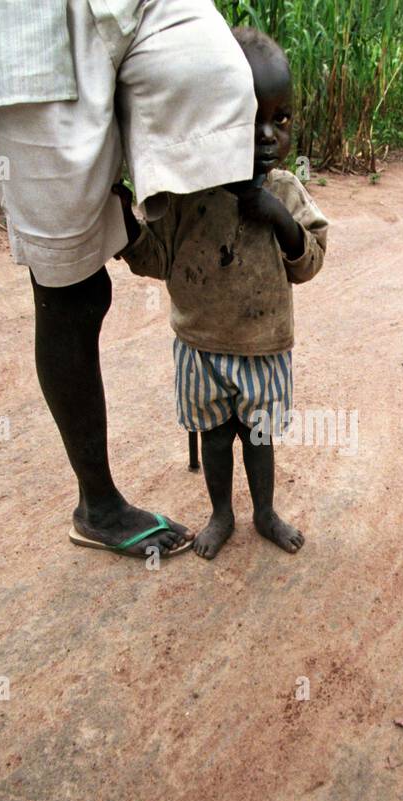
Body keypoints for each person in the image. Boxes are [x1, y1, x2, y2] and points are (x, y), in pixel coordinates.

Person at [0, 0, 259, 558]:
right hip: (16, 29)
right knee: (74, 289)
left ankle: (194, 330)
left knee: (219, 89)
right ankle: (98, 505)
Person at [114, 28, 327, 559]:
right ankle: (221, 515)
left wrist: (281, 222)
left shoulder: (285, 192)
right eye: (249, 118)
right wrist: (125, 229)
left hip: (263, 346)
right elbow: (157, 258)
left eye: (281, 119)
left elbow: (311, 262)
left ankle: (265, 513)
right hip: (200, 344)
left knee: (258, 439)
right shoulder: (188, 191)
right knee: (213, 438)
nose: (267, 136)